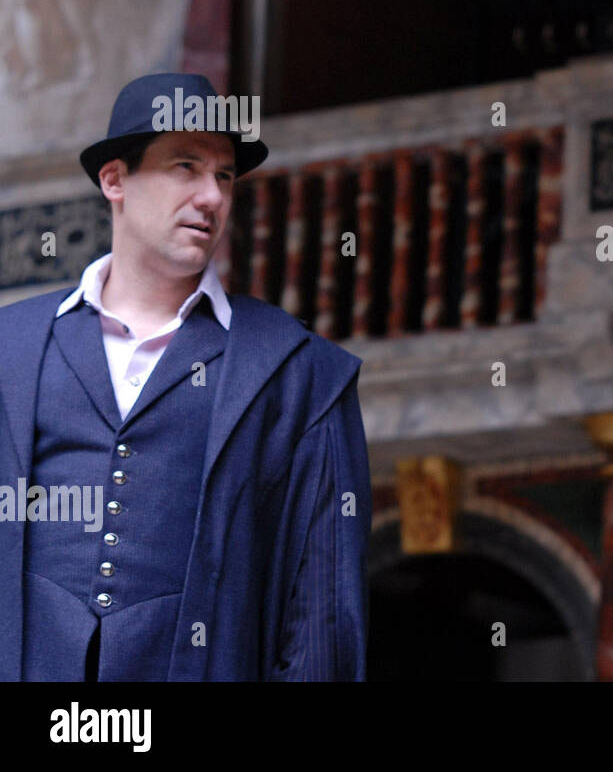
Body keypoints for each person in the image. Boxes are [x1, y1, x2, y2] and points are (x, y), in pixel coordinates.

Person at [0, 73, 371, 680]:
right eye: (185, 168)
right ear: (115, 179)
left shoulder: (297, 372)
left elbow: (322, 617)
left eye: (224, 176)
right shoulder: (8, 351)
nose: (212, 197)